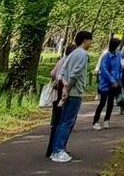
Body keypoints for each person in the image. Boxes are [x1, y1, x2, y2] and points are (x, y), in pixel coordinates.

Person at [47, 30, 94, 163]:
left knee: (63, 121)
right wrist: (68, 87)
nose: (91, 43)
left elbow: (62, 71)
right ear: (85, 40)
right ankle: (59, 150)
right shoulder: (83, 54)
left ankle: (56, 150)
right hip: (74, 92)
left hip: (68, 90)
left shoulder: (72, 54)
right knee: (68, 121)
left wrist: (65, 84)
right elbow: (76, 72)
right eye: (90, 40)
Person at [92, 36, 123, 129]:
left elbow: (120, 68)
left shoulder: (119, 55)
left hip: (115, 83)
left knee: (111, 102)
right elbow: (104, 70)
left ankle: (107, 120)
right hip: (106, 83)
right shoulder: (106, 56)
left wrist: (118, 79)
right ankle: (95, 121)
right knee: (102, 102)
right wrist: (112, 80)